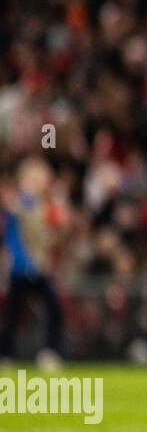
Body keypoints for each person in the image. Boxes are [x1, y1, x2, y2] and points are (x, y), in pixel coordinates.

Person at [0, 157, 66, 371]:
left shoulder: (43, 206)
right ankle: (6, 354)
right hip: (23, 269)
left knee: (51, 310)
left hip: (39, 267)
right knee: (14, 314)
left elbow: (51, 237)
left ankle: (50, 352)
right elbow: (14, 237)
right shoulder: (19, 205)